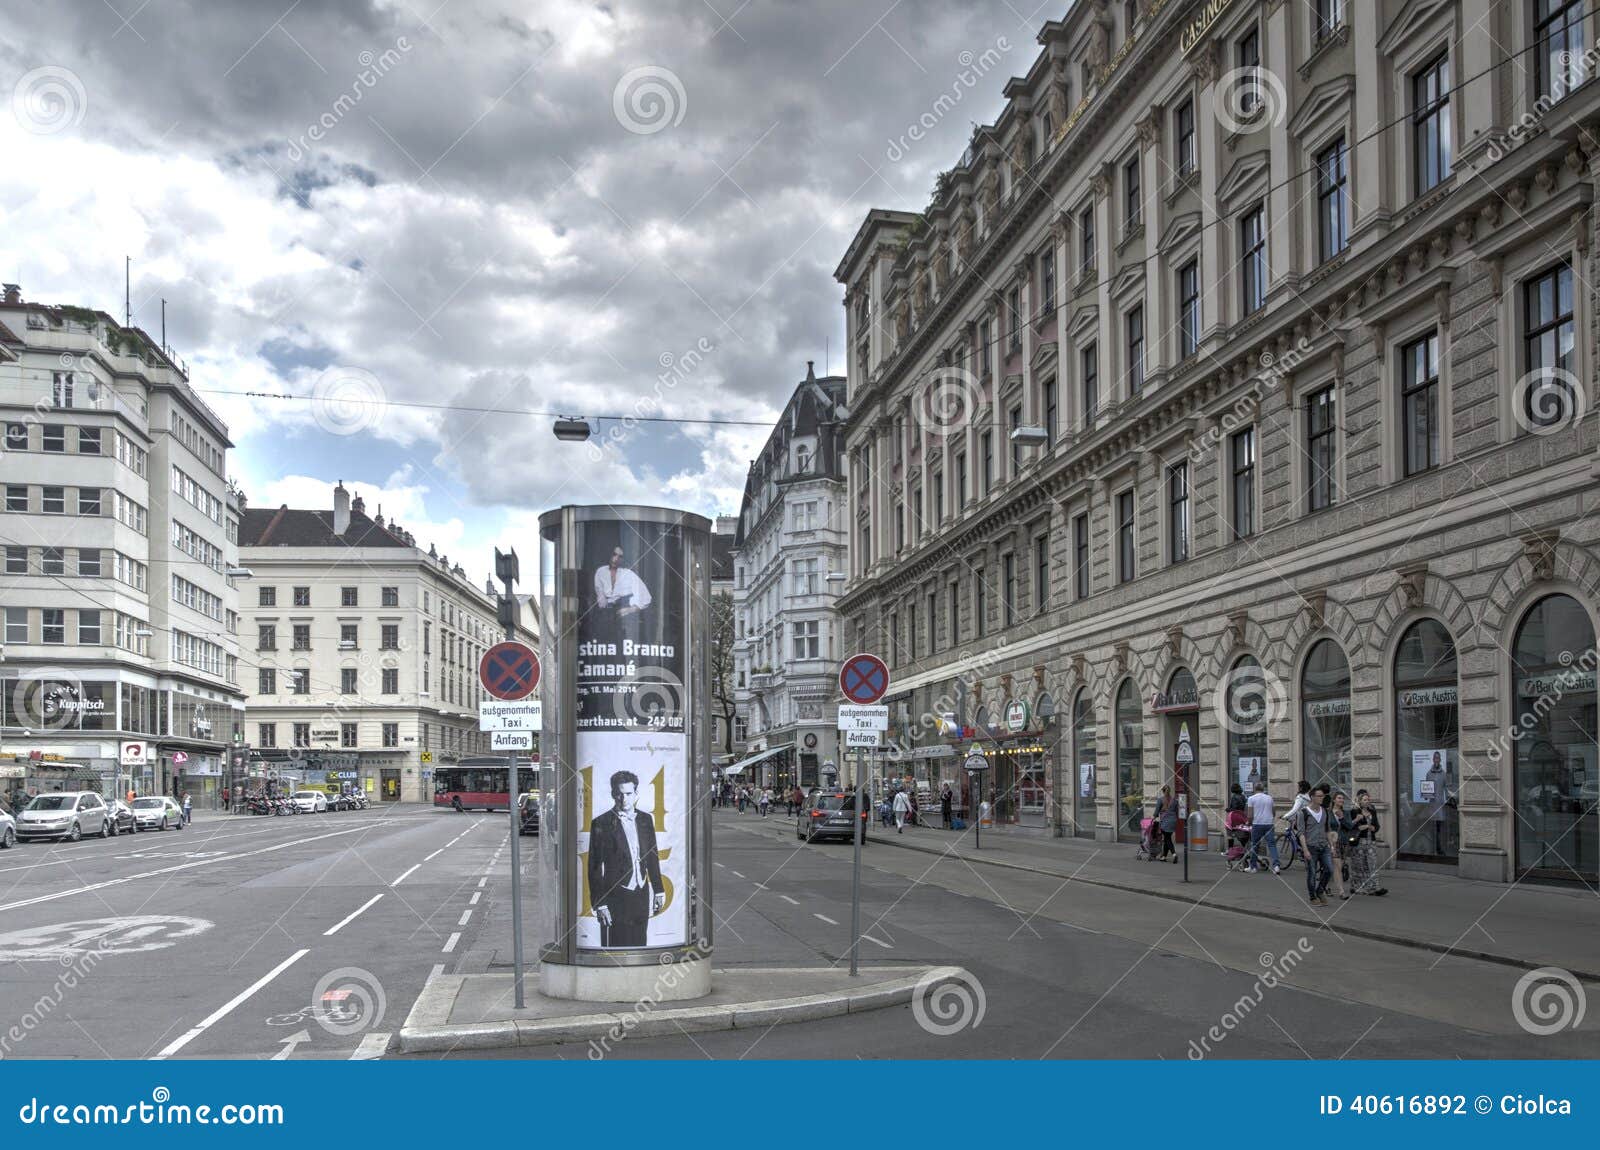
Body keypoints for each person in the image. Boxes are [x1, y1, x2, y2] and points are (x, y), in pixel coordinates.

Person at [586, 770, 665, 947]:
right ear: (613, 794)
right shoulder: (601, 823)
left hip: (642, 892)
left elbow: (652, 855)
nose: (624, 799)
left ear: (636, 793)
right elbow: (594, 866)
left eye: (629, 794)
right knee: (615, 946)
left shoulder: (645, 819)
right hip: (615, 895)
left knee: (639, 943)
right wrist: (600, 904)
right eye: (620, 794)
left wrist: (658, 890)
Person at [593, 545, 652, 645]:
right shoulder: (600, 571)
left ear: (623, 559)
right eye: (614, 554)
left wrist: (629, 609)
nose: (616, 559)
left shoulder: (629, 574)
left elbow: (646, 598)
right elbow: (599, 593)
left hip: (624, 618)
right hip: (604, 616)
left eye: (620, 556)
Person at [1296, 784, 1335, 906]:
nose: (1321, 798)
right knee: (1312, 873)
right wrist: (1305, 849)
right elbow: (1301, 833)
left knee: (1329, 869)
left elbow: (1327, 830)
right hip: (1311, 847)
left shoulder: (1326, 812)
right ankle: (1313, 897)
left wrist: (1332, 846)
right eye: (1319, 796)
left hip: (1324, 846)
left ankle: (1320, 891)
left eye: (1322, 796)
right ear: (1312, 797)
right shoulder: (1303, 813)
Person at [1349, 789, 1388, 896]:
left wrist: (1373, 828)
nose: (1367, 801)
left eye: (1368, 799)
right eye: (1365, 800)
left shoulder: (1372, 810)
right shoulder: (1354, 811)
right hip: (1359, 841)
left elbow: (1377, 825)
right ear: (1360, 801)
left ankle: (1374, 887)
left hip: (1371, 841)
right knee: (1359, 865)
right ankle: (1356, 887)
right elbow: (1351, 826)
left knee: (1372, 864)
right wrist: (1362, 825)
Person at [1245, 781, 1280, 873]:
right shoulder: (1269, 798)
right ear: (1263, 789)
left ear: (1254, 789)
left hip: (1257, 824)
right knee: (1272, 845)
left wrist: (1249, 822)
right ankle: (1276, 866)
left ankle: (1253, 867)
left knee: (1255, 845)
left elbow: (1250, 814)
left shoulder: (1251, 798)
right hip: (1269, 824)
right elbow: (1274, 812)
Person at [1327, 791, 1353, 900]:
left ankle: (1326, 886)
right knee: (1337, 866)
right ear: (1334, 800)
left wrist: (1342, 818)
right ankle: (1341, 891)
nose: (1341, 800)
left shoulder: (1346, 813)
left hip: (1343, 842)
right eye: (1339, 798)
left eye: (1342, 798)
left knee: (1337, 867)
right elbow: (1326, 827)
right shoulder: (1328, 813)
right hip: (1332, 842)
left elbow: (1349, 826)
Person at [1154, 785, 1179, 862]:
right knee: (1167, 838)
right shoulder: (1174, 800)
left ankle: (1174, 854)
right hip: (1173, 821)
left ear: (1163, 791)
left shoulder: (1160, 800)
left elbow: (1156, 812)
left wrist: (1154, 817)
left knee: (1167, 839)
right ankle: (1163, 856)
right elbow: (1177, 811)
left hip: (1165, 822)